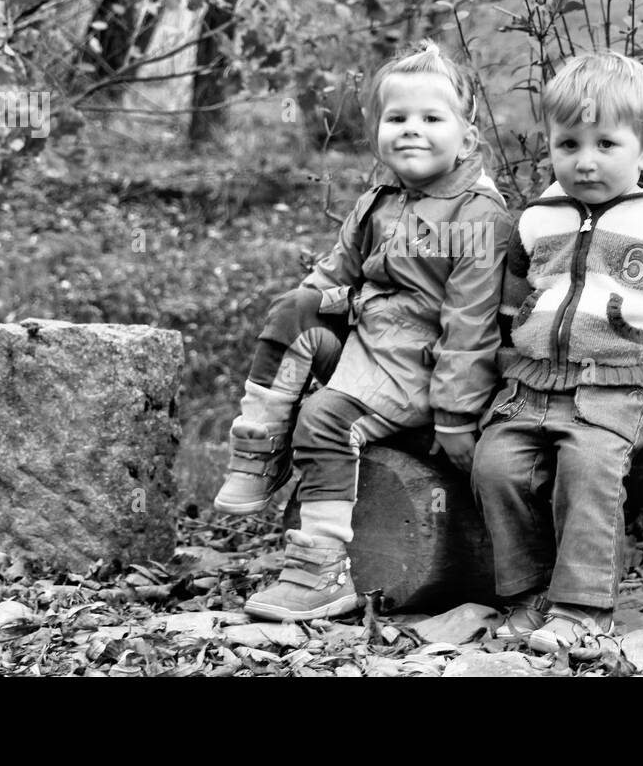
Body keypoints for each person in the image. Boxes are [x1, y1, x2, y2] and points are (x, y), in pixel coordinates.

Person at [213, 40, 512, 621]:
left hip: (418, 370)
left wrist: (454, 415)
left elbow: (469, 328)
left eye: (431, 118)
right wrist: (318, 302)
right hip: (369, 347)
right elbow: (331, 275)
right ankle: (259, 447)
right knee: (292, 308)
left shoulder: (478, 217)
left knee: (324, 417)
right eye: (396, 118)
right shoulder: (378, 202)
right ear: (376, 130)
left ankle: (321, 570)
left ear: (468, 137)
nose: (411, 131)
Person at [471, 50, 643, 652]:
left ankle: (583, 608)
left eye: (605, 145)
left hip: (623, 383)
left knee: (588, 466)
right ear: (549, 144)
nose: (584, 161)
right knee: (495, 466)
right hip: (534, 384)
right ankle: (529, 593)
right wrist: (501, 371)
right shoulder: (538, 219)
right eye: (568, 144)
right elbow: (516, 308)